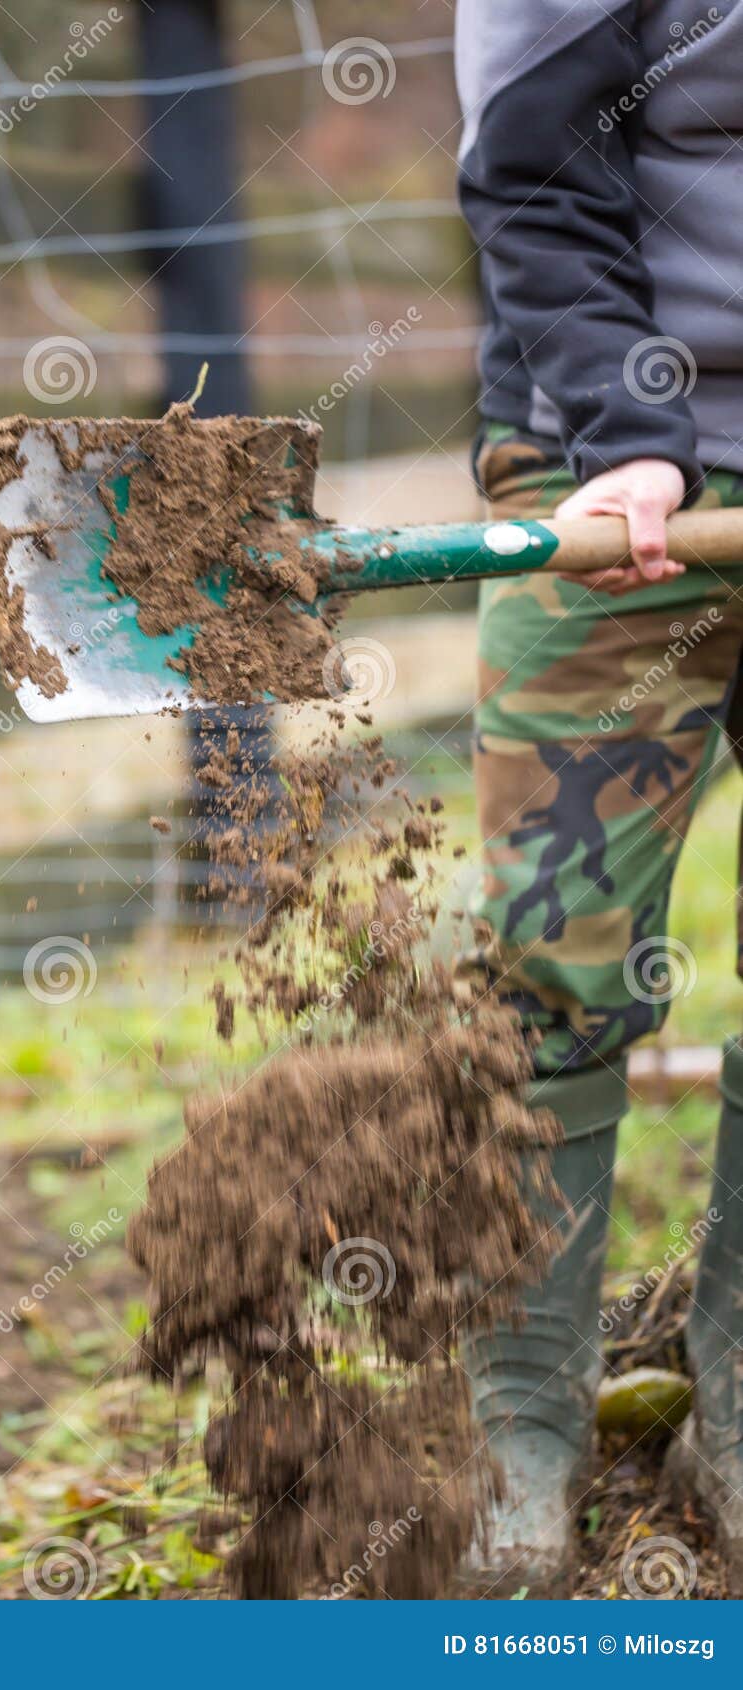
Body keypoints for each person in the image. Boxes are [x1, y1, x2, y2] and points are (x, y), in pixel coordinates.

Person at [454, 0, 743, 1593]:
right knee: (551, 953)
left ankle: (739, 1401)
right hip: (611, 460)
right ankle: (521, 1426)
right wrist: (634, 433)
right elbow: (533, 149)